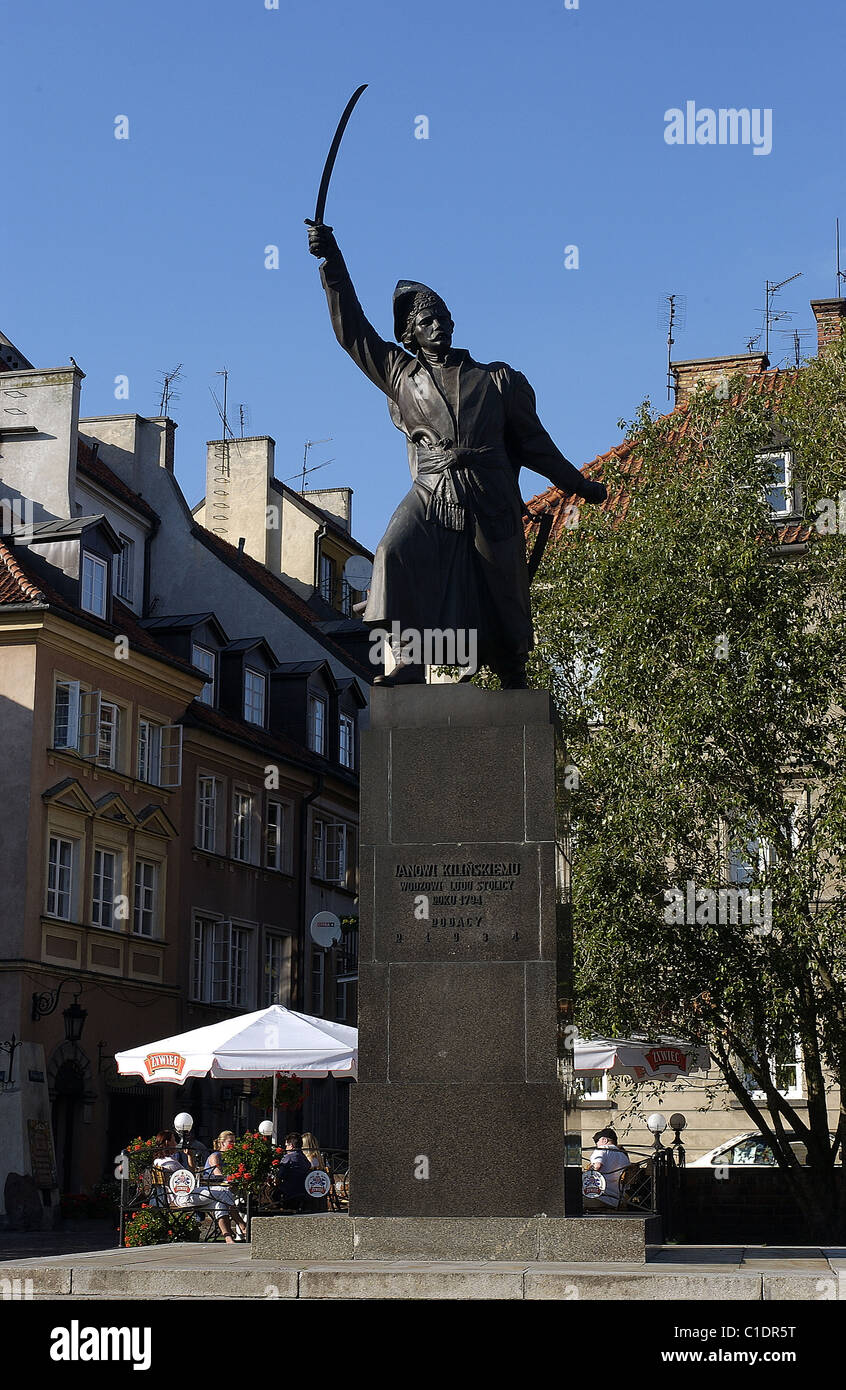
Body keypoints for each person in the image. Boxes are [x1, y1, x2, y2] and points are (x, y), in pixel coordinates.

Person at [307, 223, 607, 689]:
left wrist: (578, 484)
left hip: (488, 492)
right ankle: (409, 661)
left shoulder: (498, 380)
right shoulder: (400, 374)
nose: (438, 326)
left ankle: (509, 668)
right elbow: (354, 332)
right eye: (428, 321)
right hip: (432, 488)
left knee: (498, 583)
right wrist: (333, 264)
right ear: (411, 333)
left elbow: (535, 443)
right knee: (393, 550)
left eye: (444, 318)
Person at [152, 1130, 247, 1242]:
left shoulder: (162, 1161)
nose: (176, 1142)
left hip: (181, 1196)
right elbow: (188, 1179)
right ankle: (243, 1226)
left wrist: (190, 1157)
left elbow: (189, 1176)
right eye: (174, 1139)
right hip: (181, 1197)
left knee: (219, 1201)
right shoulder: (168, 1163)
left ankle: (228, 1238)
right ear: (167, 1142)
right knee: (223, 1191)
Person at [584, 1128, 631, 1212]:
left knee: (568, 1199)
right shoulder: (624, 1156)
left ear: (604, 1140)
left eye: (597, 1142)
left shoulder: (602, 1149)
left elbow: (597, 1166)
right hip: (617, 1200)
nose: (596, 1145)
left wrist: (587, 1172)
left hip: (599, 1198)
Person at [271, 1132, 312, 1211]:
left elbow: (278, 1178)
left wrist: (273, 1182)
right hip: (303, 1193)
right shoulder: (305, 1159)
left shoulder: (288, 1158)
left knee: (268, 1192)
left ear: (291, 1146)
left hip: (288, 1194)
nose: (285, 1148)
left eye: (286, 1145)